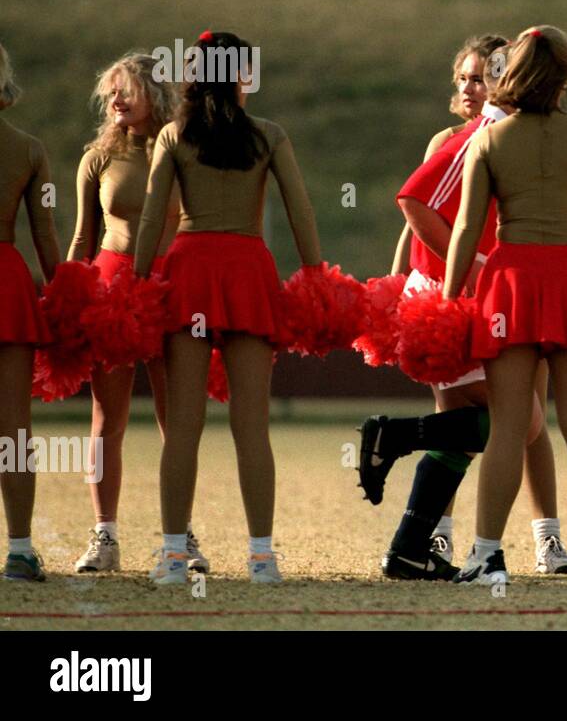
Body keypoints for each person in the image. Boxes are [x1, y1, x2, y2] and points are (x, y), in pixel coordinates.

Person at [360, 39, 567, 579]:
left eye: (481, 78)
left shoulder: (529, 137)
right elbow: (416, 209)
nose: (469, 88)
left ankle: (426, 544)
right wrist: (402, 283)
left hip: (508, 290)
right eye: (462, 78)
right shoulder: (463, 139)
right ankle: (434, 528)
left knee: (508, 423)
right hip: (460, 292)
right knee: (515, 423)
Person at [442, 25, 567, 587]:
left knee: (507, 427)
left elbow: (465, 229)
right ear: (564, 75)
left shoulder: (490, 140)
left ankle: (485, 556)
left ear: (513, 72)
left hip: (512, 281)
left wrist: (449, 300)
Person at [134, 30, 324, 585]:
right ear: (242, 75)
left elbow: (151, 218)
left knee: (183, 427)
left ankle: (173, 556)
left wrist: (137, 283)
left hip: (189, 270)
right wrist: (316, 277)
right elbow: (301, 211)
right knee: (252, 426)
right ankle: (262, 557)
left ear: (193, 74)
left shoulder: (175, 134)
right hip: (247, 271)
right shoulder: (269, 135)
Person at [66, 53, 210, 574]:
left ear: (155, 91)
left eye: (125, 89)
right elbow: (83, 236)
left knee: (179, 418)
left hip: (174, 287)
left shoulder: (185, 147)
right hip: (112, 287)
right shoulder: (98, 157)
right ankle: (104, 537)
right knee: (108, 418)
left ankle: (181, 535)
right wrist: (66, 294)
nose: (116, 100)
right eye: (110, 93)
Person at [0, 41, 60, 582]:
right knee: (14, 429)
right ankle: (19, 549)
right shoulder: (28, 149)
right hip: (9, 284)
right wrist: (64, 297)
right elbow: (45, 236)